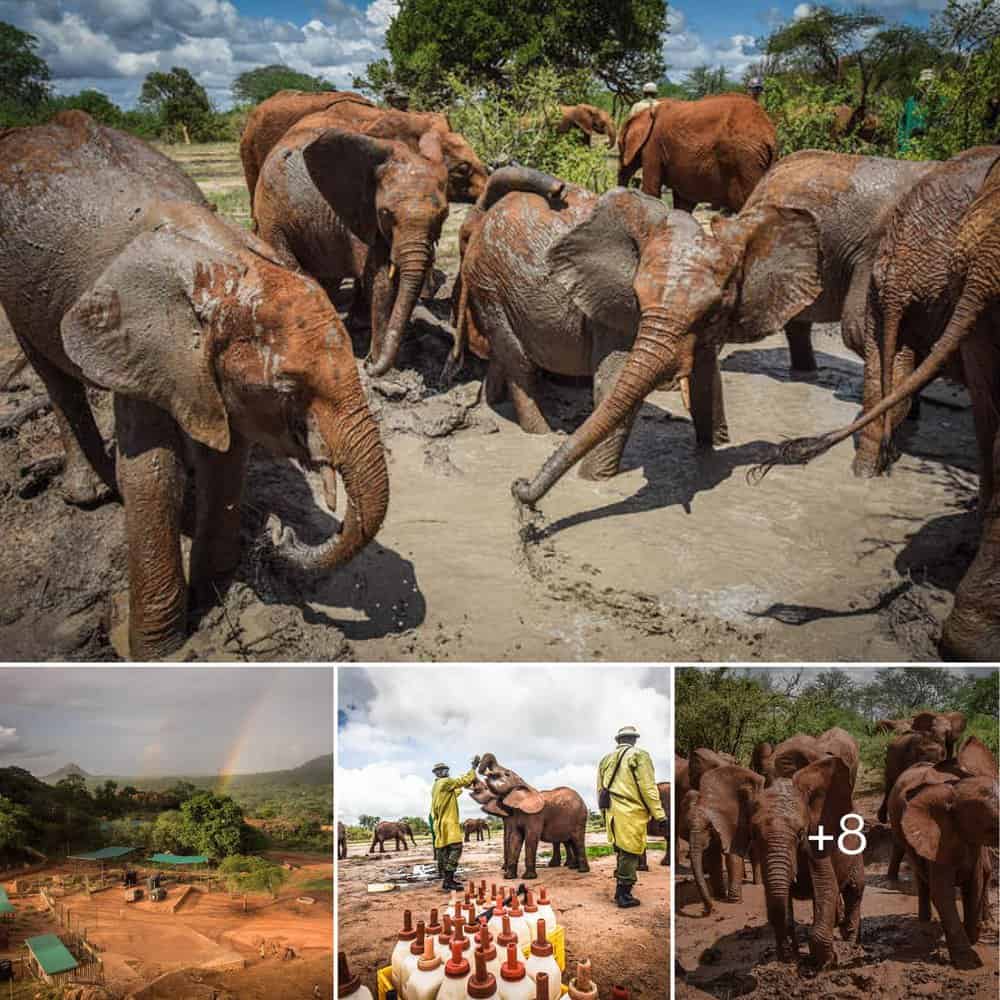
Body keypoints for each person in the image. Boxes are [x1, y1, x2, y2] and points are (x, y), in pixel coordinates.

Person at [597, 725, 665, 908]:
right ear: (634, 740)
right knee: (630, 851)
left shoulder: (605, 759)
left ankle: (621, 889)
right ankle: (623, 894)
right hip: (630, 811)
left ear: (618, 740)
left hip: (612, 812)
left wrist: (604, 816)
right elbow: (648, 787)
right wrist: (660, 815)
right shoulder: (638, 755)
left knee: (621, 850)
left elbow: (600, 790)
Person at [430, 757, 480, 891]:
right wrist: (473, 769)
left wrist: (463, 788)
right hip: (448, 822)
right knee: (456, 847)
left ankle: (448, 879)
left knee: (445, 850)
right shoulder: (445, 782)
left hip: (440, 824)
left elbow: (453, 791)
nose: (445, 772)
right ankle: (448, 880)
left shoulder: (436, 786)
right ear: (437, 773)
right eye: (441, 770)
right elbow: (461, 781)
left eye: (445, 769)